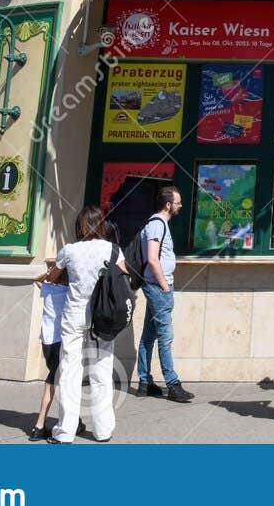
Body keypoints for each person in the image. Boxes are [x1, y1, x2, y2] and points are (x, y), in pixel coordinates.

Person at [48, 205, 128, 444]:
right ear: (101, 225)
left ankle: (65, 432)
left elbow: (53, 275)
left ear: (80, 226)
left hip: (74, 316)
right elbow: (123, 278)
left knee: (69, 373)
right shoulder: (114, 250)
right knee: (102, 371)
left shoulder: (69, 251)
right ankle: (103, 430)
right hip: (103, 316)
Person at [136, 186, 193, 402]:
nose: (180, 205)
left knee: (149, 336)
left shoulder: (159, 225)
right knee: (165, 337)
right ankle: (173, 384)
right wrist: (164, 285)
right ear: (168, 204)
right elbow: (152, 257)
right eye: (177, 202)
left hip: (157, 286)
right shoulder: (157, 225)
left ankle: (144, 381)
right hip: (158, 287)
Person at [29, 257, 68, 441]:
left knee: (53, 379)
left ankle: (41, 425)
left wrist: (51, 272)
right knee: (61, 382)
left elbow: (36, 279)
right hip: (62, 340)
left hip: (47, 341)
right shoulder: (69, 292)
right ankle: (41, 423)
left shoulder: (48, 288)